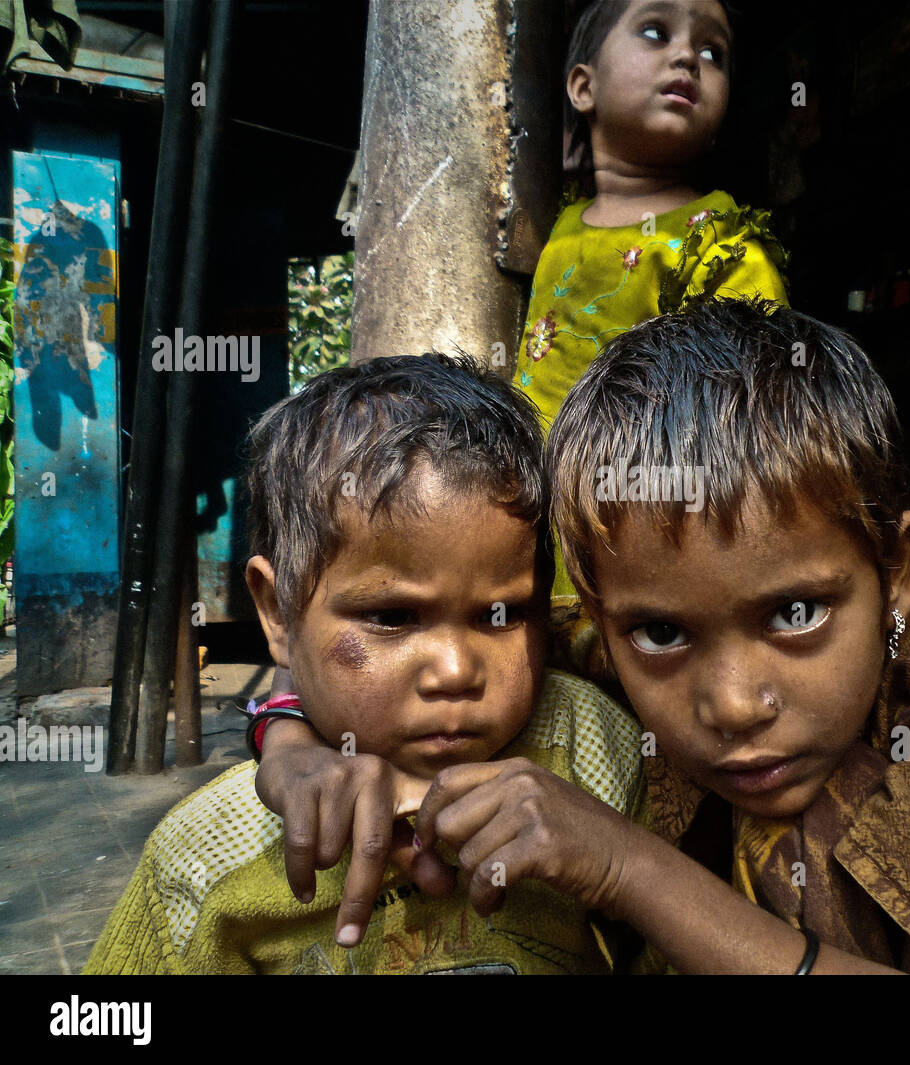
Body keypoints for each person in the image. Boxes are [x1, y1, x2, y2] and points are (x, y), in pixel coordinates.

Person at [405, 298, 910, 974]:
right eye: (663, 632)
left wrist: (624, 865)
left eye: (796, 614)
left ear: (895, 571)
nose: (734, 705)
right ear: (605, 615)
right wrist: (293, 735)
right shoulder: (603, 632)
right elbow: (469, 652)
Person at [82, 355, 645, 974]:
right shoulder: (210, 856)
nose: (456, 671)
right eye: (393, 618)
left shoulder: (593, 750)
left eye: (502, 615)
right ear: (276, 613)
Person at [515, 0, 789, 596]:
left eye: (713, 52)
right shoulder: (559, 227)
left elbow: (754, 418)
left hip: (652, 533)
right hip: (536, 527)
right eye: (655, 31)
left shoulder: (719, 240)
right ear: (583, 88)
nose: (688, 55)